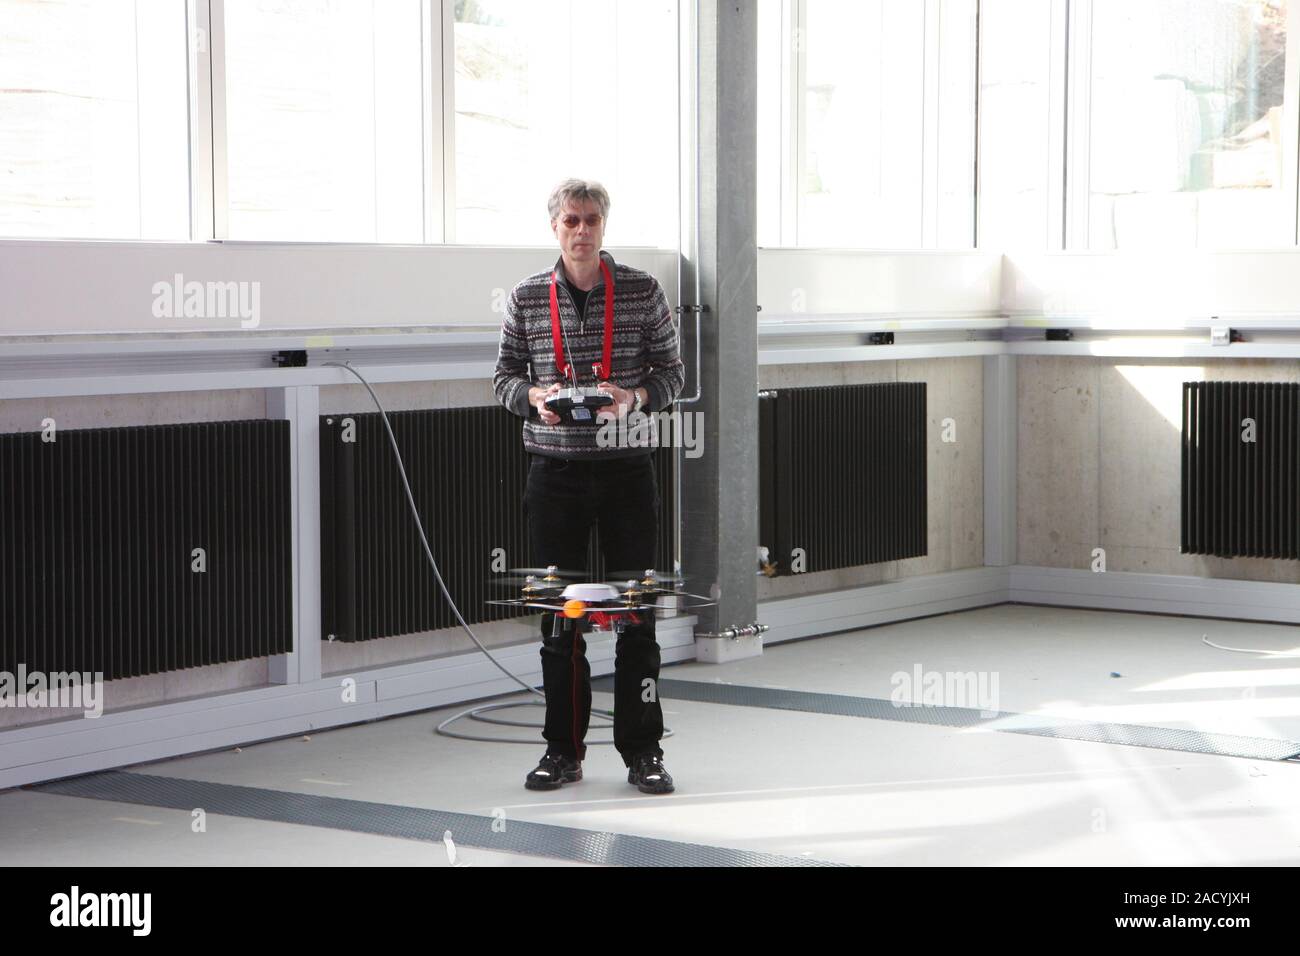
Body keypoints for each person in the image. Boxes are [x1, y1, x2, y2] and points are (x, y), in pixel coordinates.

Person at [493, 178, 685, 793]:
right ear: (555, 227)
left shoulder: (642, 290)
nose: (581, 230)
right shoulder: (526, 298)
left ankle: (643, 753)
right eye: (571, 220)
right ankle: (563, 752)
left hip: (627, 472)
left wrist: (635, 397)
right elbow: (501, 378)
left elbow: (675, 373)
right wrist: (532, 397)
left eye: (592, 220)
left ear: (604, 226)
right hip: (555, 476)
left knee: (636, 618)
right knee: (561, 621)